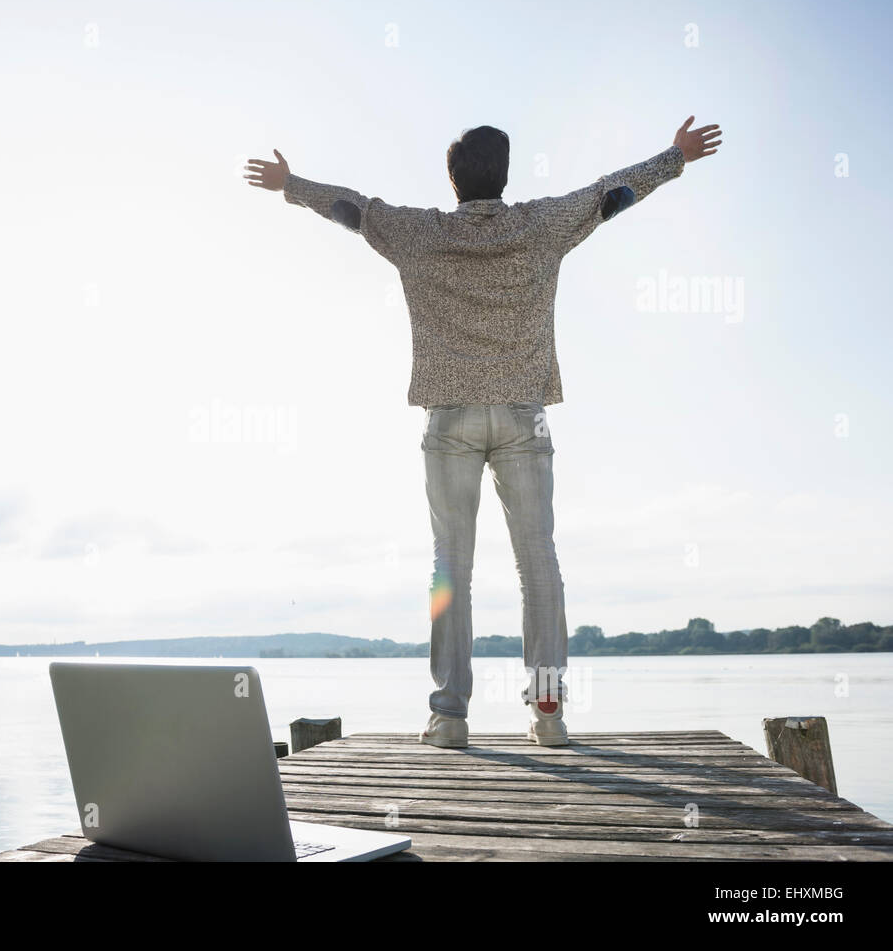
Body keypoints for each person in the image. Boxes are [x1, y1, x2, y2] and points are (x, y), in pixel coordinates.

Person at [245, 117, 722, 747]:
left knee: (451, 568)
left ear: (453, 180)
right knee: (539, 562)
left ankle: (448, 718)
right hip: (524, 416)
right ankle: (548, 713)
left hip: (451, 418)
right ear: (505, 176)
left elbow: (352, 210)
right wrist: (675, 156)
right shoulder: (542, 224)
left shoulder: (419, 233)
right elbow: (614, 194)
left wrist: (289, 183)